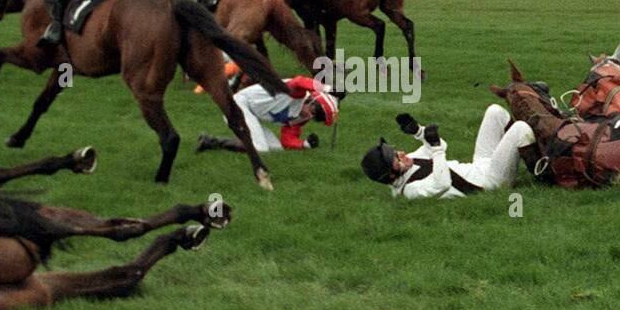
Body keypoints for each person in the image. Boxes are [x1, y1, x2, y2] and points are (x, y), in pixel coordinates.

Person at [360, 105, 534, 199]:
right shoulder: (411, 191)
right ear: (391, 175)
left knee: (495, 112)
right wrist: (435, 148)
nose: (402, 154)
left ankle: (521, 154)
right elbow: (442, 184)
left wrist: (419, 132)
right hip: (491, 181)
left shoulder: (408, 164)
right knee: (520, 129)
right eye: (396, 159)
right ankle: (542, 170)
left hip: (479, 165)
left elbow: (439, 146)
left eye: (396, 152)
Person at [196, 75, 338, 153]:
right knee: (261, 148)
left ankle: (210, 142)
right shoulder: (298, 93)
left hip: (250, 113)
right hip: (238, 105)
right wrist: (328, 88)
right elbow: (299, 81)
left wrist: (305, 144)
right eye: (315, 111)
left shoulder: (302, 117)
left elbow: (287, 138)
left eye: (318, 118)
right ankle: (212, 142)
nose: (311, 116)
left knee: (277, 150)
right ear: (312, 99)